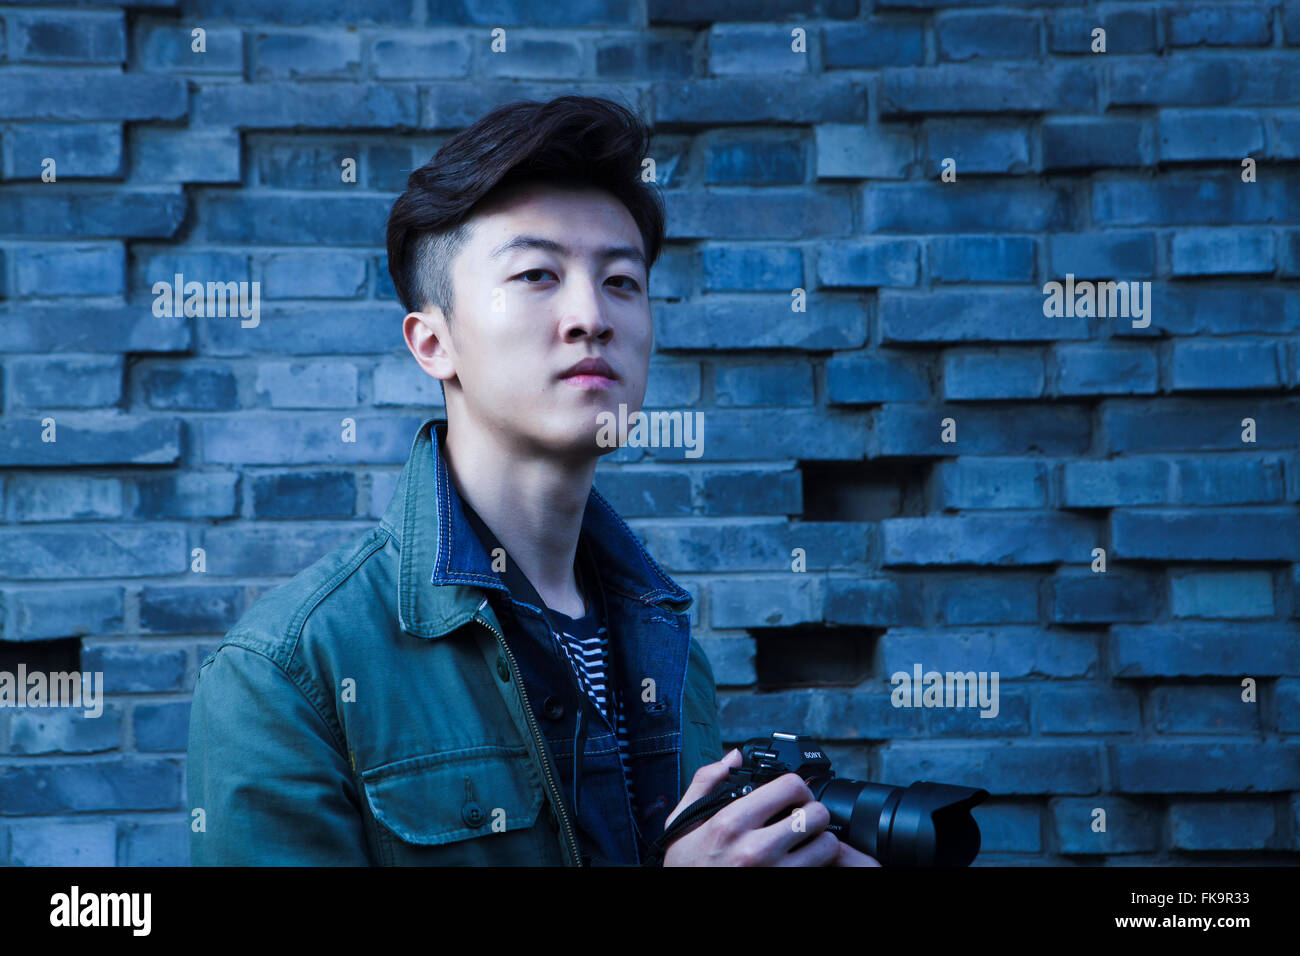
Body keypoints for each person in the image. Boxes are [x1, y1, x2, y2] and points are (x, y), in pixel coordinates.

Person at [187, 94, 877, 867]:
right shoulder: (286, 674)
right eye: (537, 274)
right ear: (433, 342)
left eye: (622, 282)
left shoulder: (672, 651)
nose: (591, 316)